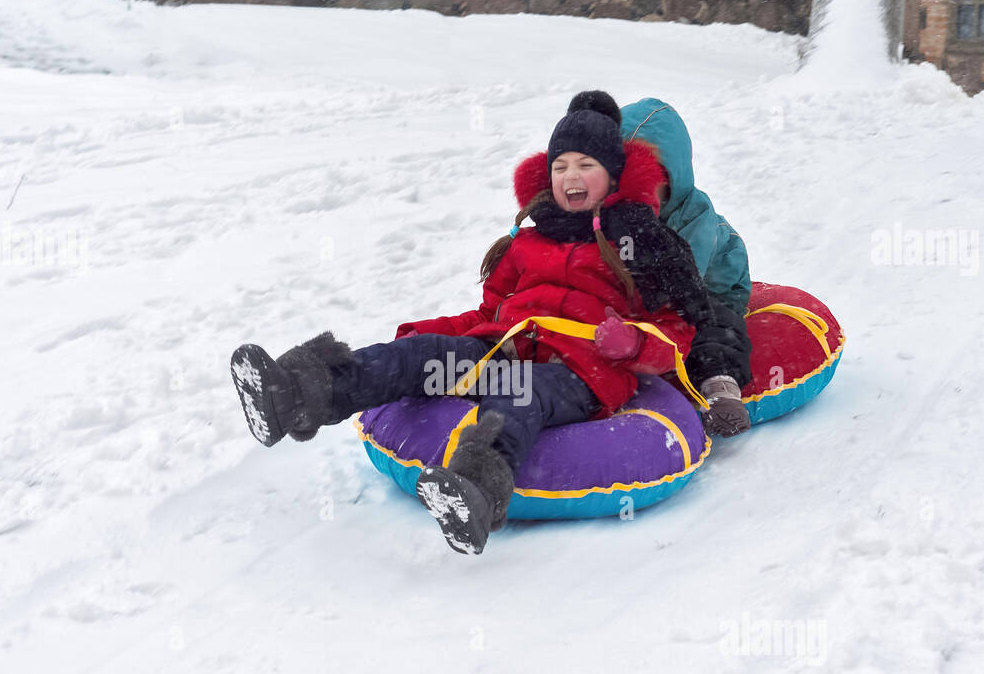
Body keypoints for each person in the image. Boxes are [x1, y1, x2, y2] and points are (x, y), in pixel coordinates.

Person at [229, 91, 750, 556]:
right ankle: (296, 395)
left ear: (613, 177)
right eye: (560, 165)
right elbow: (490, 314)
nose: (570, 176)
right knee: (422, 356)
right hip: (505, 349)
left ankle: (475, 492)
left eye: (586, 164)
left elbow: (676, 331)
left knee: (520, 396)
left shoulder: (638, 246)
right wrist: (429, 333)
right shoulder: (527, 242)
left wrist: (631, 343)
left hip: (582, 372)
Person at [619, 97, 755, 425]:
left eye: (648, 175)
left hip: (708, 286)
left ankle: (720, 384)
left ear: (673, 176)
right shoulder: (620, 209)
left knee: (710, 325)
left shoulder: (694, 216)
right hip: (650, 283)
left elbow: (684, 280)